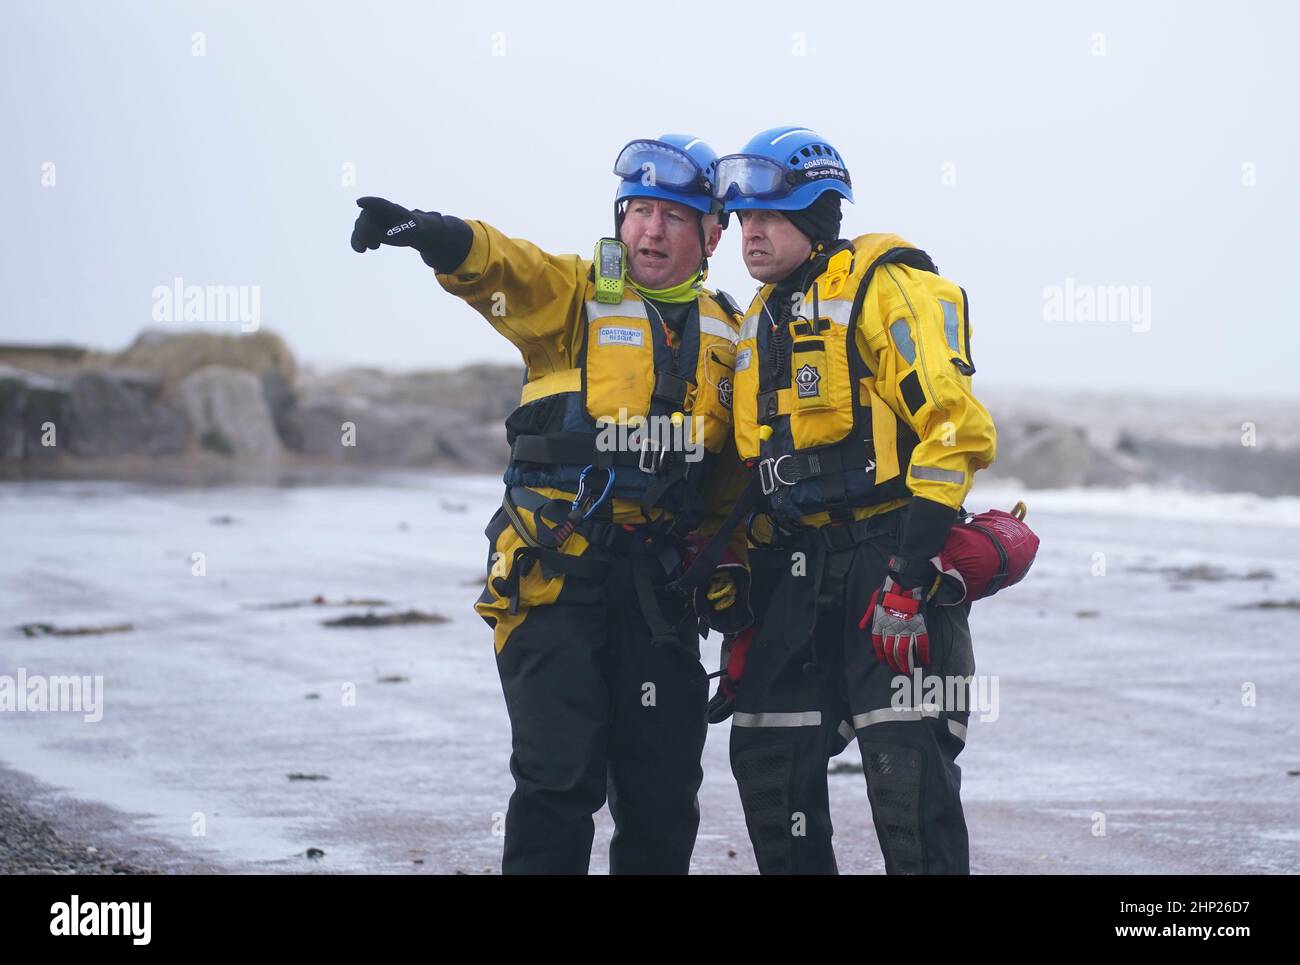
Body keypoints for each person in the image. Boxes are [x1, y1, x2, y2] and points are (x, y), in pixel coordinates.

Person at [349, 134, 751, 875]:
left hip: (661, 597)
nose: (651, 231)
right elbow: (504, 266)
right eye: (638, 212)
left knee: (663, 794)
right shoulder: (570, 299)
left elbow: (734, 487)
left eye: (673, 215)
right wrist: (434, 234)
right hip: (554, 581)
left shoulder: (734, 333)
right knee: (558, 781)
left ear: (713, 234)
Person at [704, 126, 997, 874]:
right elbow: (746, 472)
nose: (751, 234)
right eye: (742, 219)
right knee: (770, 772)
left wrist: (908, 573)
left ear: (816, 214)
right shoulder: (754, 322)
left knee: (909, 789)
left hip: (889, 562)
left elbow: (954, 428)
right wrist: (734, 593)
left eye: (769, 217)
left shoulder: (885, 289)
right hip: (789, 577)